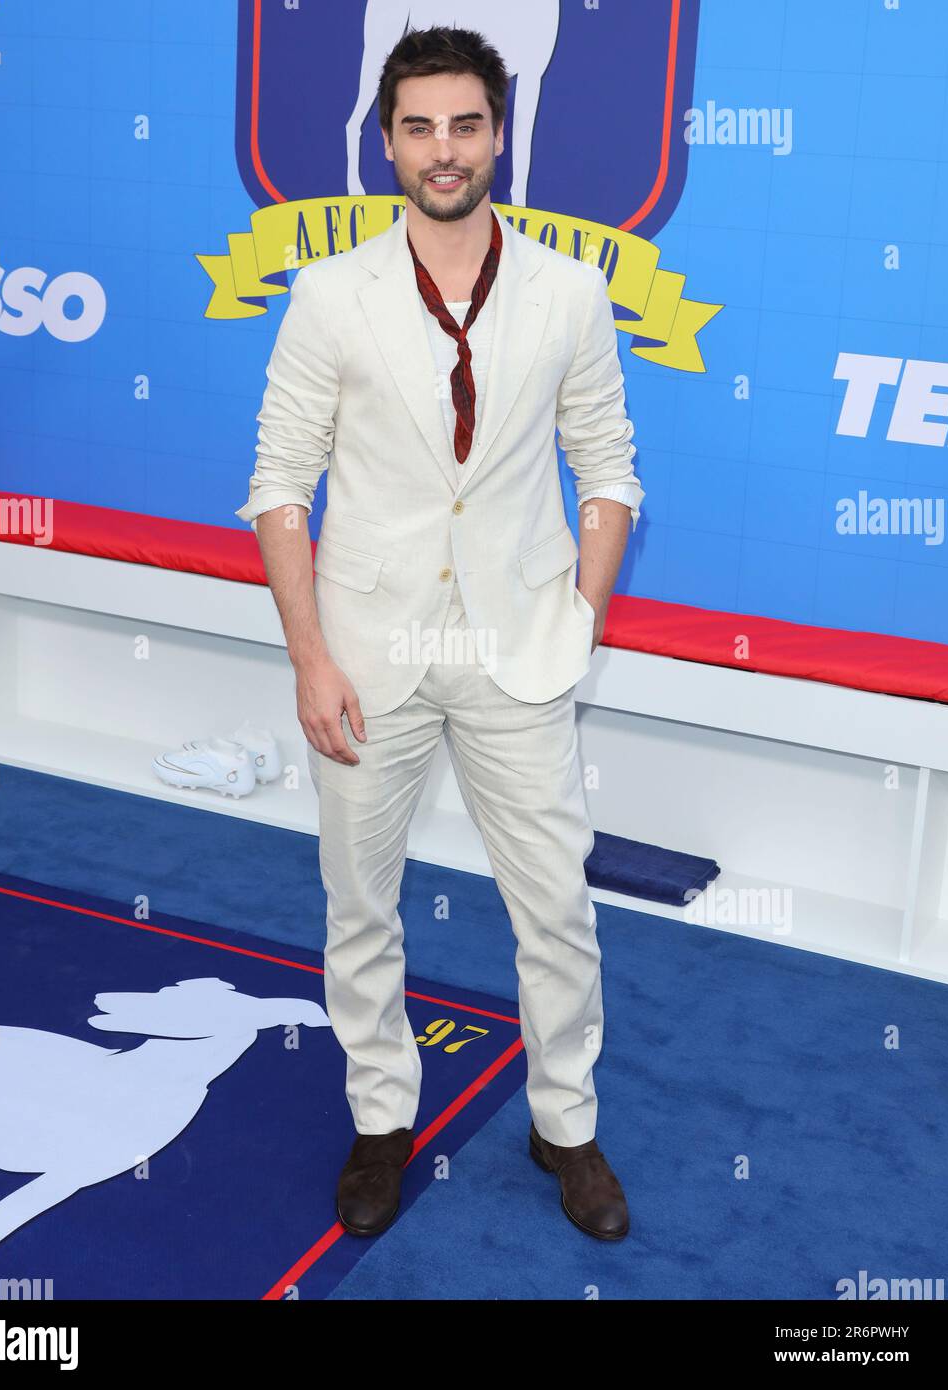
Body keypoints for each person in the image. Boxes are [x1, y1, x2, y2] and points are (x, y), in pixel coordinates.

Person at [236, 25, 644, 1242]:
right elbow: (276, 485)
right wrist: (311, 656)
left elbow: (609, 468)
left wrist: (581, 617)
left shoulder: (570, 294)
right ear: (388, 141)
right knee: (361, 902)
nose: (444, 149)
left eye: (465, 124)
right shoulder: (329, 294)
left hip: (520, 645)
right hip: (366, 651)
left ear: (500, 133)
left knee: (556, 907)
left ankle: (563, 1122)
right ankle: (380, 1119)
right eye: (418, 126)